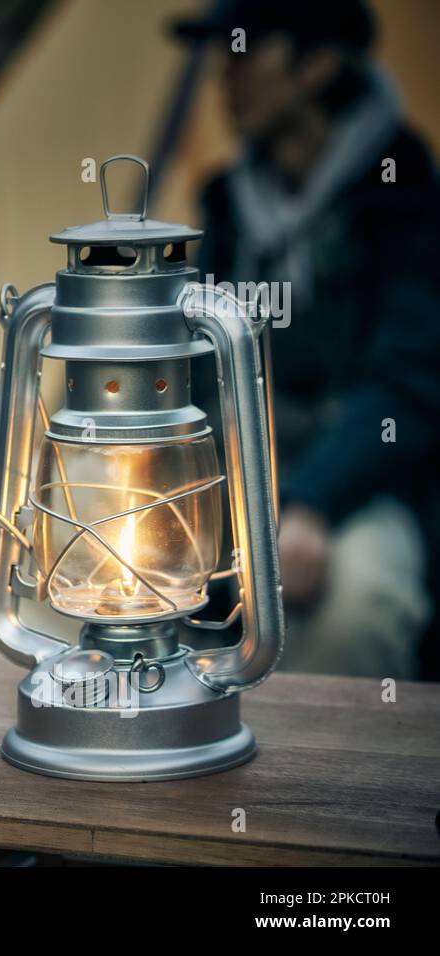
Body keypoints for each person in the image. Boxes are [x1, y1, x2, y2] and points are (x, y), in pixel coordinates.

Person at [171, 0, 440, 677]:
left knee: (356, 605)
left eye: (241, 52)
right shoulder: (228, 203)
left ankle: (333, 786)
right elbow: (193, 357)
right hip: (231, 472)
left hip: (355, 480)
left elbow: (408, 382)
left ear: (316, 63)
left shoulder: (406, 201)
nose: (221, 78)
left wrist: (314, 500)